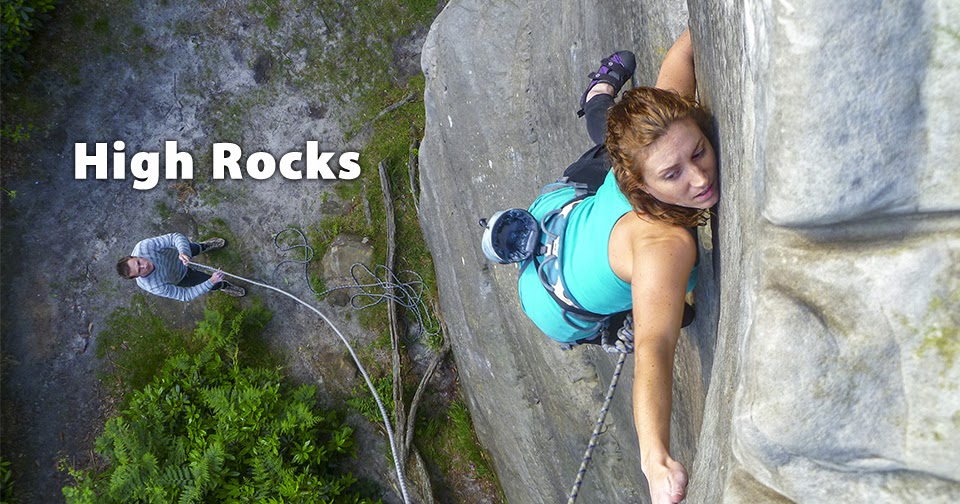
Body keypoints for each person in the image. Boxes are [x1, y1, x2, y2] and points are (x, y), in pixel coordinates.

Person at [501, 29, 714, 503]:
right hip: (558, 308)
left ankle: (599, 97)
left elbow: (684, 51)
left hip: (555, 218)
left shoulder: (664, 135)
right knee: (672, 314)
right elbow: (655, 347)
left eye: (699, 151)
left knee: (619, 138)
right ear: (640, 184)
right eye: (673, 174)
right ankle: (597, 96)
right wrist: (654, 460)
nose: (700, 178)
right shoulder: (665, 246)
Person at [116, 233, 246, 301]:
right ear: (137, 277)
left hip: (179, 254)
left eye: (139, 262)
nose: (144, 265)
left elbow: (174, 237)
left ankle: (205, 246)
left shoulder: (143, 247)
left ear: (134, 256)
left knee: (195, 248)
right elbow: (185, 295)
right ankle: (223, 286)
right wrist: (210, 282)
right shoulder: (153, 286)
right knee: (213, 284)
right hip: (182, 277)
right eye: (140, 270)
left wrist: (183, 251)